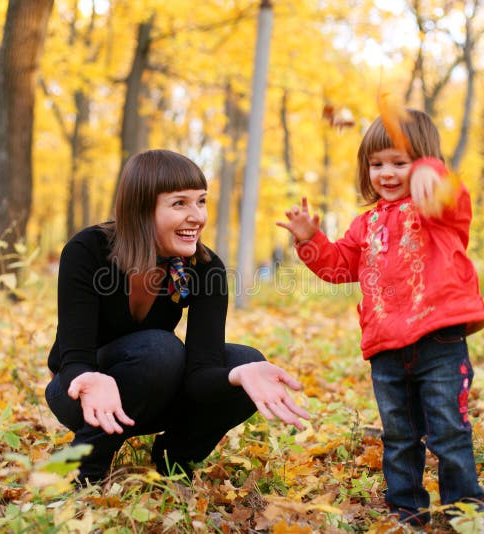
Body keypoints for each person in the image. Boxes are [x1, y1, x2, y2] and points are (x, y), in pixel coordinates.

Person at [46, 149, 309, 485]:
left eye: (201, 201)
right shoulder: (89, 250)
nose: (197, 216)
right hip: (80, 391)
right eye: (179, 203)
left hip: (154, 388)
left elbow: (202, 374)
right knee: (160, 348)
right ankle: (84, 469)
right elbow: (73, 362)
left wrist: (240, 375)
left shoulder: (204, 268)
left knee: (245, 361)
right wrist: (92, 379)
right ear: (141, 209)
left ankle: (174, 460)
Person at [277, 109, 484, 525]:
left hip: (438, 339)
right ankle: (407, 511)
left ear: (425, 161)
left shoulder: (436, 208)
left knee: (448, 431)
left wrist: (431, 171)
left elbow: (454, 196)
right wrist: (310, 240)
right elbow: (340, 266)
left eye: (400, 162)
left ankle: (465, 512)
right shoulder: (366, 223)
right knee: (398, 435)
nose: (387, 174)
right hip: (386, 349)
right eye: (377, 164)